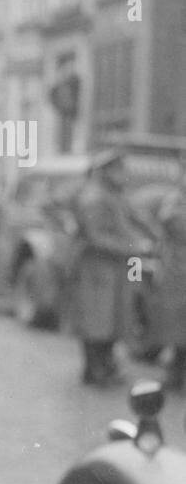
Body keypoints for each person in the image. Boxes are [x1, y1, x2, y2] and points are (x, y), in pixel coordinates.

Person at [72, 153, 147, 387]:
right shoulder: (93, 197)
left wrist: (151, 238)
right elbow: (96, 237)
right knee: (96, 321)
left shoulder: (116, 196)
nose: (124, 176)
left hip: (116, 269)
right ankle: (94, 370)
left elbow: (137, 219)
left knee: (114, 319)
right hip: (96, 269)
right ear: (106, 172)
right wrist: (134, 247)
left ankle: (105, 366)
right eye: (119, 170)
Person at [156, 169, 186, 391]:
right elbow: (173, 223)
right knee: (176, 328)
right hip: (176, 273)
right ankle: (174, 375)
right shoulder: (174, 202)